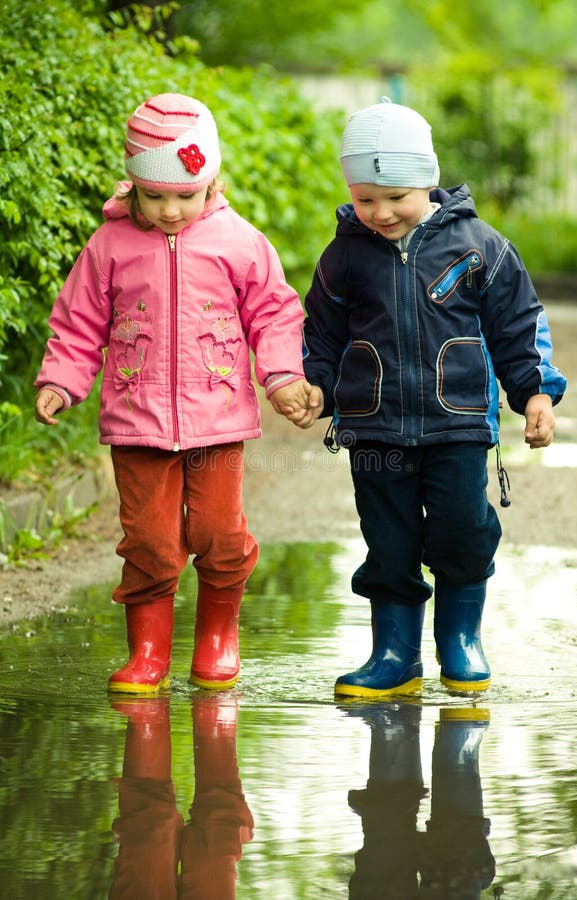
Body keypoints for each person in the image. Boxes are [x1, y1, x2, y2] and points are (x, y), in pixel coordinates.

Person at [34, 93, 309, 695]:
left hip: (217, 420)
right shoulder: (109, 246)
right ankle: (149, 652)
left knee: (218, 533)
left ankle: (217, 637)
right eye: (154, 195)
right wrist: (62, 379)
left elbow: (274, 313)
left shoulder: (239, 242)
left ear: (212, 180)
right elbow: (79, 322)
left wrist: (284, 377)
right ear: (132, 183)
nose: (169, 210)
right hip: (138, 421)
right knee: (151, 542)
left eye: (185, 195)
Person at [295, 97, 567, 698]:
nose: (381, 212)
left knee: (462, 532)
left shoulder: (479, 248)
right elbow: (322, 333)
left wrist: (536, 393)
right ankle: (394, 654)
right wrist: (316, 385)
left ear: (429, 180)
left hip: (459, 428)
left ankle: (460, 642)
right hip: (375, 429)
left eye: (396, 198)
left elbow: (519, 324)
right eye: (365, 199)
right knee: (388, 541)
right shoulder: (345, 257)